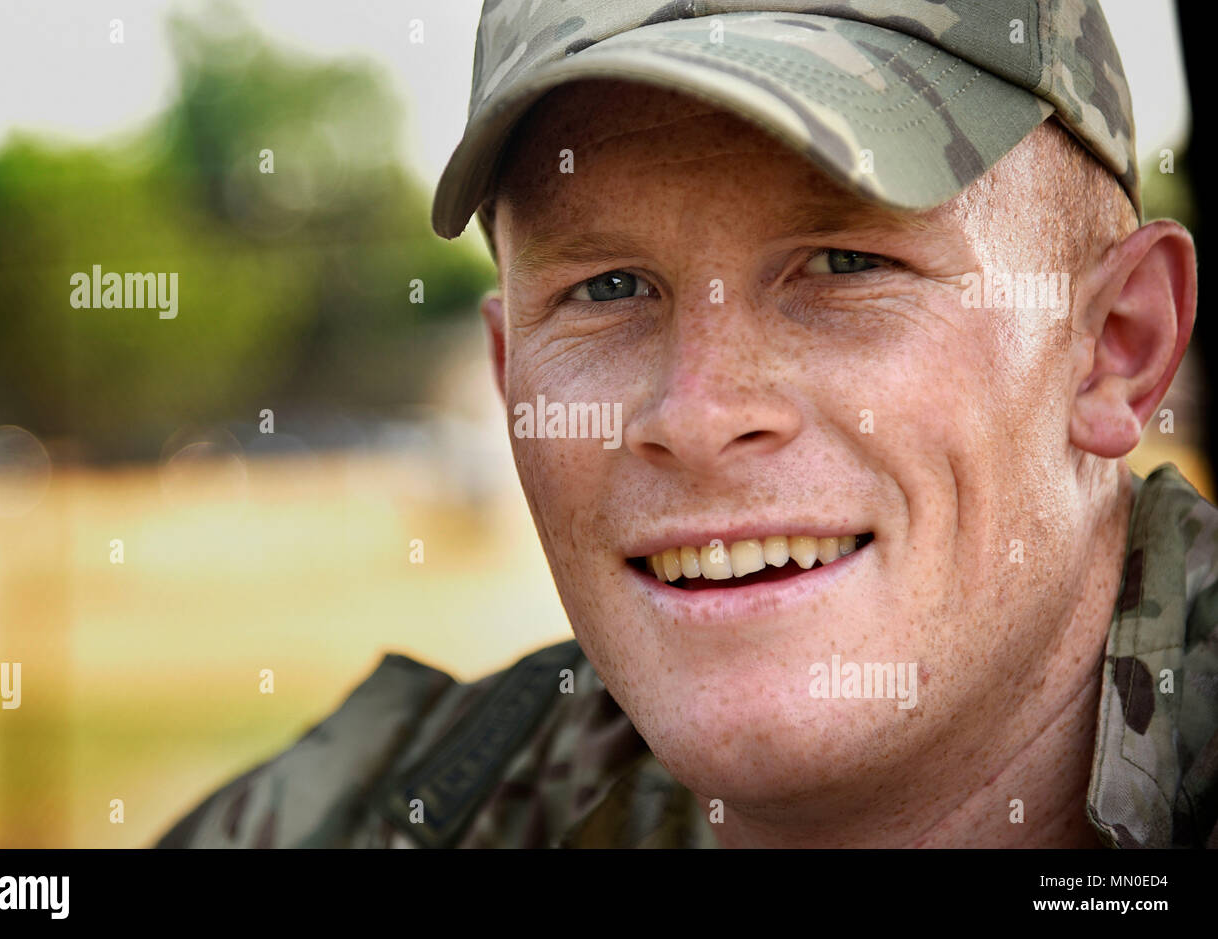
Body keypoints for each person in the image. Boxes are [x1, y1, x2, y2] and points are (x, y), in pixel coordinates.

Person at [156, 0, 1215, 848]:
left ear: (1116, 344)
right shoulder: (375, 819)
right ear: (506, 372)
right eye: (609, 287)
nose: (696, 415)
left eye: (847, 265)